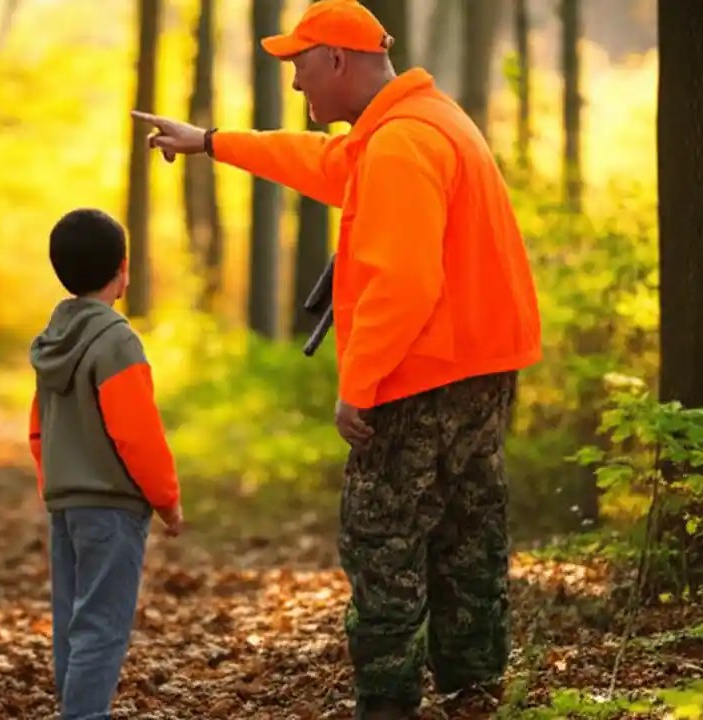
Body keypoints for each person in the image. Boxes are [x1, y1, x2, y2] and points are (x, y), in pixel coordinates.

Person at [131, 0, 541, 717]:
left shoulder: (401, 144)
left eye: (300, 66)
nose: (295, 87)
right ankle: (473, 688)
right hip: (478, 370)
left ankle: (387, 700)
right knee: (467, 529)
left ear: (338, 60)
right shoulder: (423, 123)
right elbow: (320, 161)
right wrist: (213, 142)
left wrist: (359, 385)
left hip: (422, 376)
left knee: (382, 536)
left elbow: (404, 281)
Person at [27, 207, 184, 719]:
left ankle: (75, 709)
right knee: (102, 624)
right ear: (123, 269)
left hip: (67, 506)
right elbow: (137, 434)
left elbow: (39, 428)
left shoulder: (54, 339)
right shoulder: (116, 340)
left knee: (74, 621)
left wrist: (55, 485)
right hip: (112, 509)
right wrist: (167, 501)